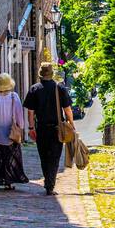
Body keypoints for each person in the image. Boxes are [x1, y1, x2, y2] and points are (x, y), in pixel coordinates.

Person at [23, 62, 73, 195]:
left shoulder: (34, 89)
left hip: (41, 129)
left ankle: (48, 181)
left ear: (40, 75)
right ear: (52, 74)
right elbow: (67, 109)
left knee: (44, 156)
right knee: (55, 157)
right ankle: (50, 184)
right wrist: (71, 124)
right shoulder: (60, 88)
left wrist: (31, 127)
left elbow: (30, 112)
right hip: (57, 129)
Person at [0, 74, 28, 190]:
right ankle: (9, 180)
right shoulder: (14, 97)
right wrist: (21, 127)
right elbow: (19, 115)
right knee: (10, 157)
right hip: (11, 134)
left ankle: (1, 178)